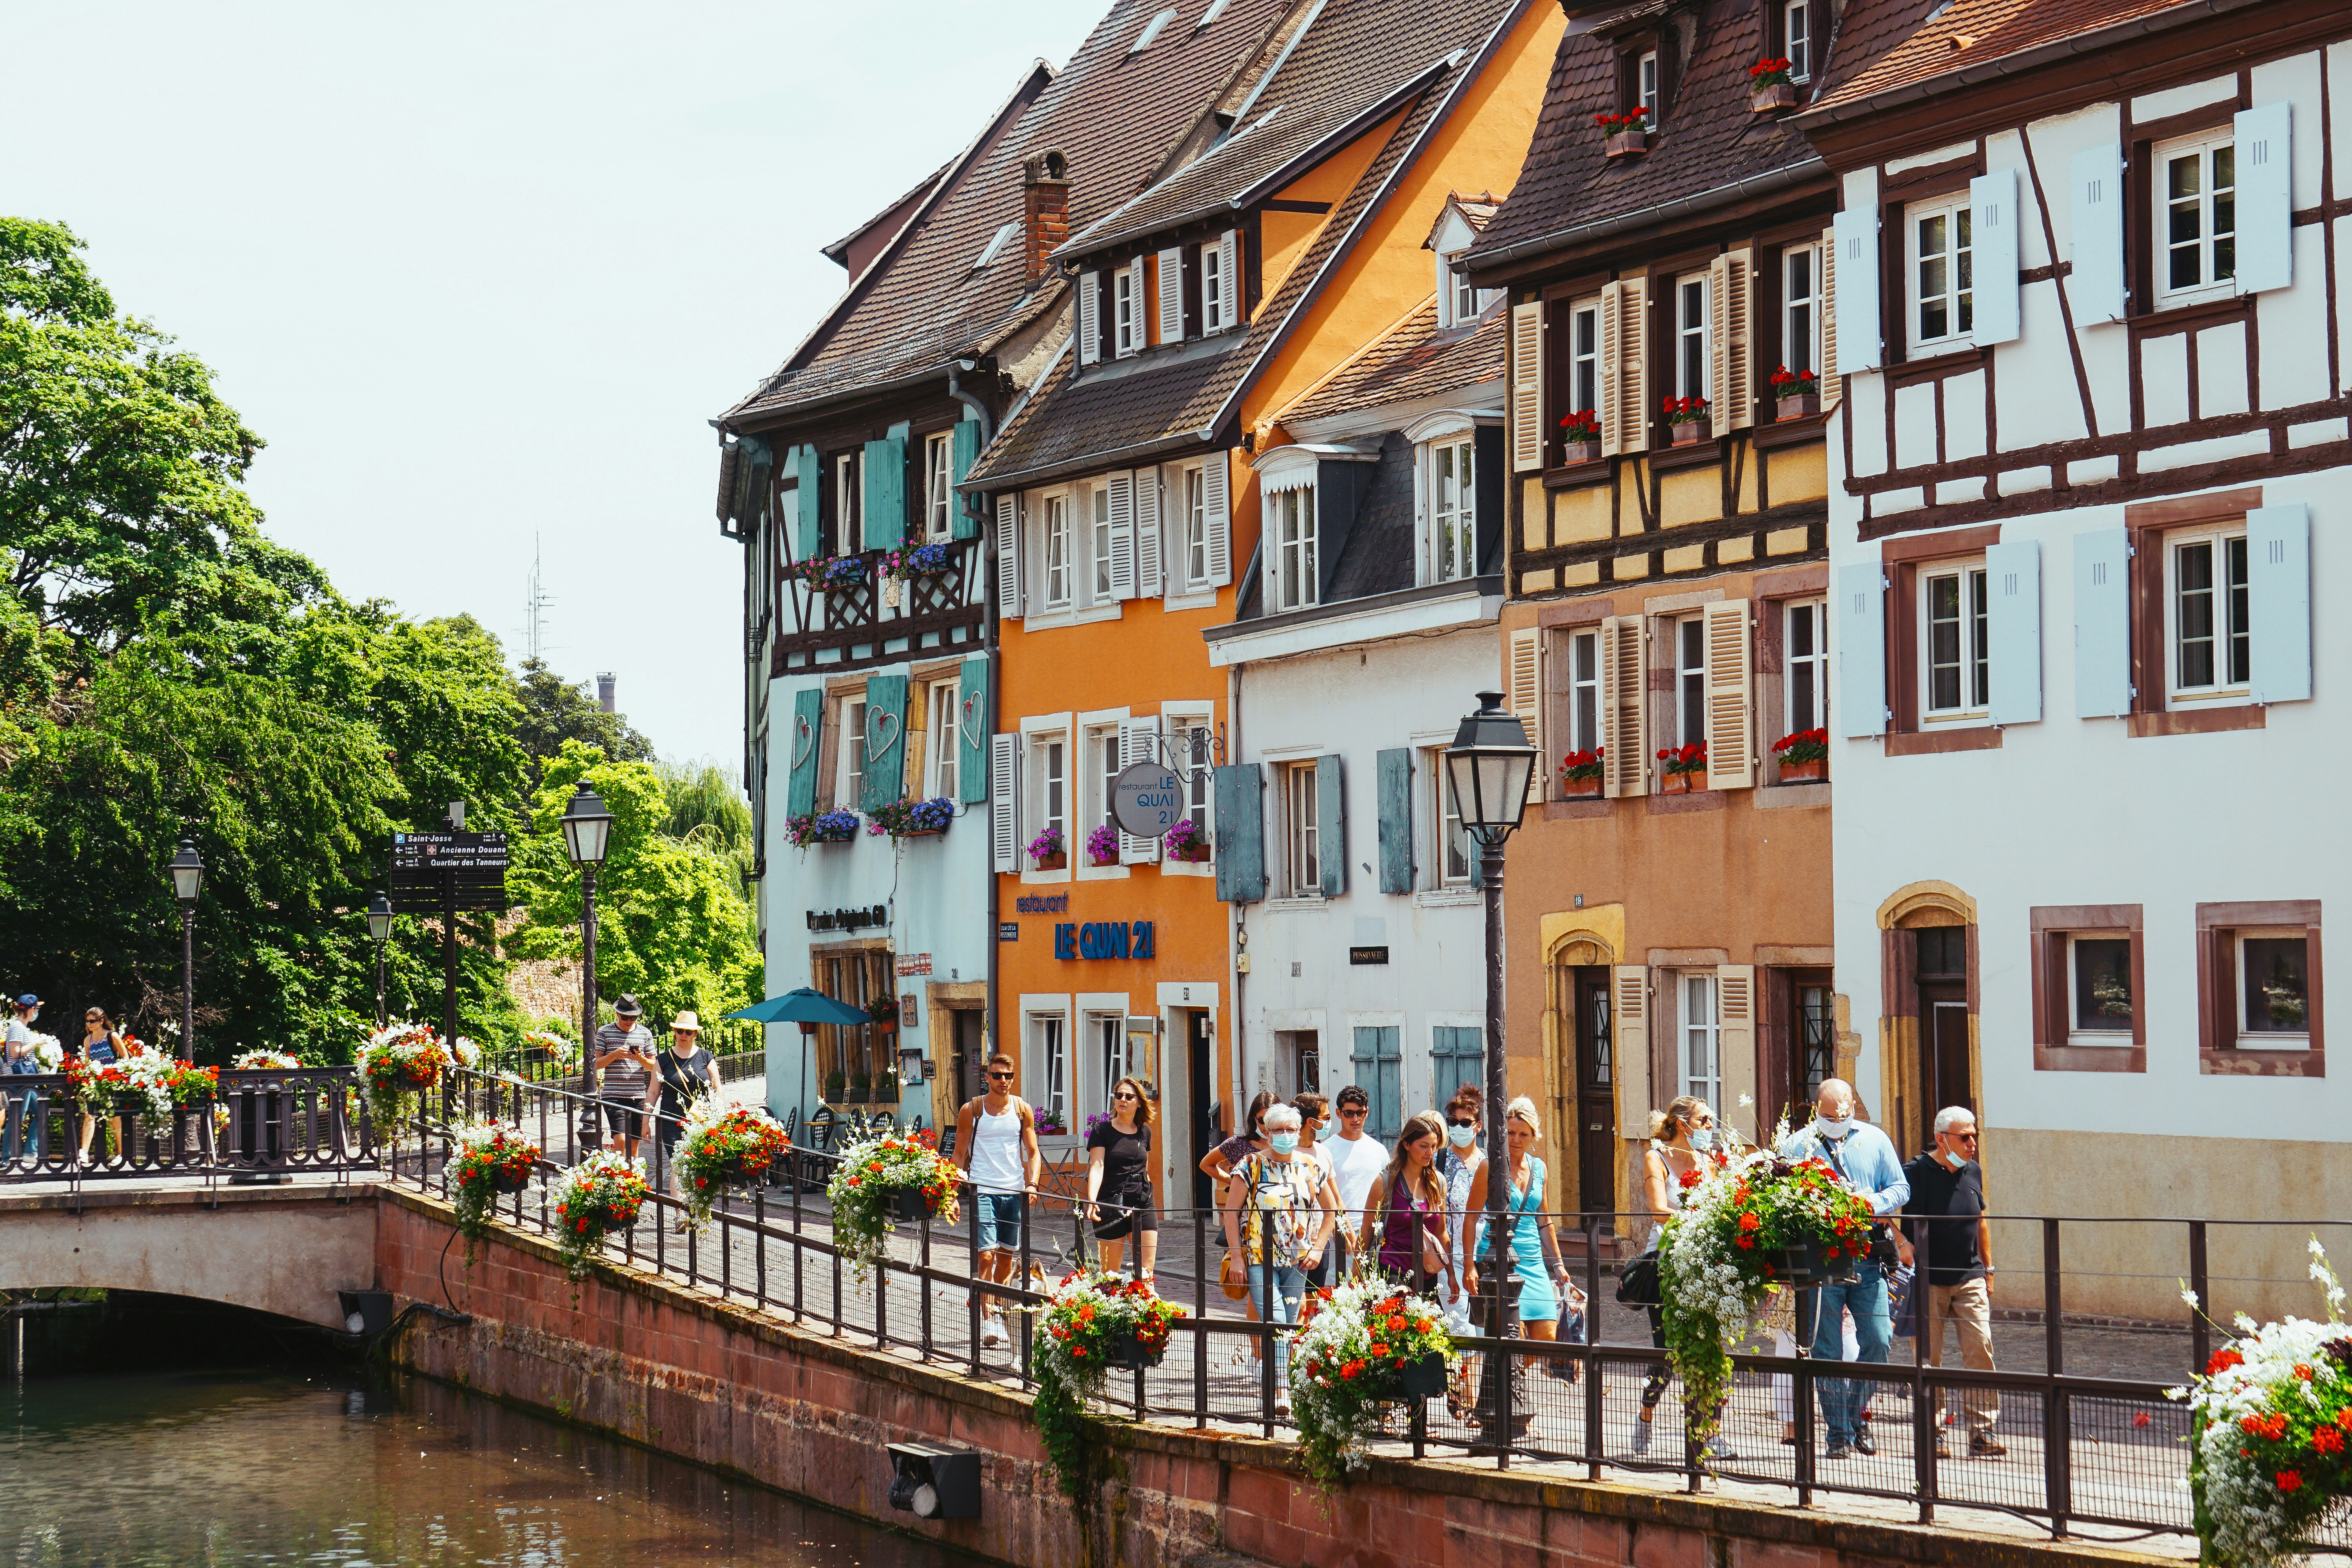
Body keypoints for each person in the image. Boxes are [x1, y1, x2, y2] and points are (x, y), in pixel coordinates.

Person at [1777, 1078, 1910, 1460]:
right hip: (1821, 1260)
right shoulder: (1798, 1144)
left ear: (1854, 1105)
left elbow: (1901, 1188)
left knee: (1879, 1339)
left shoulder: (1875, 1139)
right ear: (1817, 1110)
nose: (1838, 1121)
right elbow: (1782, 1196)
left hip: (1867, 1256)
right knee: (1826, 1350)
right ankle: (1839, 1433)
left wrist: (1874, 1202)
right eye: (1830, 1116)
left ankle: (1853, 1418)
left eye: (1845, 1114)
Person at [1633, 1095, 1737, 1461]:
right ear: (1682, 1124)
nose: (1711, 1127)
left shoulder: (1710, 1163)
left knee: (1713, 1348)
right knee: (1668, 1352)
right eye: (1705, 1120)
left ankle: (1710, 1434)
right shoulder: (1656, 1157)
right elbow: (1659, 1210)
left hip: (1706, 1265)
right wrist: (1699, 1224)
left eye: (1711, 1121)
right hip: (1667, 1262)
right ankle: (1646, 1414)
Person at [1901, 1105, 2004, 1459]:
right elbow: (1888, 1216)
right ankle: (1933, 1434)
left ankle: (1982, 1433)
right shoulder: (1914, 1172)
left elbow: (1981, 1221)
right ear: (1943, 1140)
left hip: (1969, 1275)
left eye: (1974, 1135)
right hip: (1928, 1279)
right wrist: (1903, 1245)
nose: (1972, 1143)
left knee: (1980, 1349)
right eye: (1965, 1137)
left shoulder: (1972, 1170)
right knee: (1929, 1358)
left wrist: (1989, 1270)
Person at [1219, 1103, 1332, 1417]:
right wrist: (1238, 1256)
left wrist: (1318, 1247)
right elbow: (1231, 1213)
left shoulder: (1310, 1166)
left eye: (1290, 1130)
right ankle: (1281, 1387)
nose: (1285, 1136)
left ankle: (1271, 1380)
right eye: (1278, 1130)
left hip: (1298, 1260)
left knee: (1291, 1321)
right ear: (1267, 1133)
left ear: (1299, 1132)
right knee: (1277, 1318)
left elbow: (1330, 1211)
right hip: (1259, 1257)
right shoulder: (1251, 1164)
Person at [955, 1051, 1042, 1350]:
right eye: (997, 1075)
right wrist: (952, 1194)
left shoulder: (1022, 1110)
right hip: (982, 1189)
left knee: (1006, 1258)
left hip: (1014, 1191)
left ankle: (1001, 1316)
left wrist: (1032, 1184)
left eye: (1008, 1076)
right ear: (987, 1077)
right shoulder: (972, 1110)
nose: (1003, 1081)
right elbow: (958, 1154)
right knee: (986, 1256)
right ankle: (989, 1321)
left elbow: (1033, 1152)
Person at [1357, 1111, 1454, 1295]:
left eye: (1434, 1147)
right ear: (1407, 1145)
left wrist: (1451, 1276)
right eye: (1424, 1146)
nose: (1430, 1153)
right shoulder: (1385, 1182)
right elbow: (1367, 1229)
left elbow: (1441, 1232)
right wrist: (1357, 1273)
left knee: (1429, 1323)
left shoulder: (1438, 1182)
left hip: (1427, 1271)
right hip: (1392, 1268)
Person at [1084, 1076, 1156, 1281]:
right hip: (1111, 1202)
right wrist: (1092, 1200)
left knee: (1146, 1273)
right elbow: (1097, 1166)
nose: (1123, 1100)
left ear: (1139, 1102)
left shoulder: (1145, 1132)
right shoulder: (1102, 1130)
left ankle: (1148, 1312)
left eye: (1129, 1096)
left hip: (1142, 1202)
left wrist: (1149, 1191)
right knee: (1110, 1276)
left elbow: (1145, 1167)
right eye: (1119, 1096)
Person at [1324, 1085, 1389, 1272]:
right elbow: (1327, 1197)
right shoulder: (1327, 1150)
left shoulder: (1379, 1150)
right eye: (1349, 1113)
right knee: (1337, 1293)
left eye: (1360, 1113)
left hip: (1375, 1232)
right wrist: (1342, 1229)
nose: (1355, 1119)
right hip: (1339, 1234)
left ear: (1366, 1112)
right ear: (1338, 1113)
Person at [655, 1011, 717, 1191]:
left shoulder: (706, 1058)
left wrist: (719, 1116)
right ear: (674, 1032)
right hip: (671, 1121)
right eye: (680, 1030)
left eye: (688, 1032)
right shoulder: (663, 1059)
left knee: (699, 1165)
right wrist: (645, 1122)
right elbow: (653, 1091)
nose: (684, 1035)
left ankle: (695, 1210)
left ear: (695, 1034)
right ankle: (680, 1214)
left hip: (700, 1121)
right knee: (678, 1165)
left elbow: (717, 1087)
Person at [1290, 1093, 1345, 1287]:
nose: (1330, 1123)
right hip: (1291, 1243)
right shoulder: (1288, 1153)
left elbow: (1336, 1199)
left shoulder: (1324, 1153)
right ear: (1310, 1122)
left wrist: (1346, 1234)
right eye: (1326, 1118)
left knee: (1313, 1303)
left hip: (1318, 1242)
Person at [593, 996, 658, 1161]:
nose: (629, 1021)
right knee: (621, 1141)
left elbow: (654, 1066)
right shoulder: (605, 1031)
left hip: (638, 1095)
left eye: (633, 1017)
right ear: (617, 1014)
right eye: (625, 1017)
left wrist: (641, 1059)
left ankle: (632, 1180)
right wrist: (615, 1055)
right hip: (614, 1095)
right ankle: (621, 1177)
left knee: (634, 1144)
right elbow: (594, 1065)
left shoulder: (645, 1033)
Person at [74, 1006, 127, 1163]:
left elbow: (125, 1058)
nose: (89, 1024)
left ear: (101, 1021)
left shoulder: (112, 1036)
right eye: (87, 1021)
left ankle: (121, 1153)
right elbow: (88, 1063)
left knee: (114, 1117)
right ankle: (84, 1152)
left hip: (112, 1082)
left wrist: (117, 1076)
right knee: (89, 1114)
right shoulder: (88, 1040)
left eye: (92, 1021)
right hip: (96, 1083)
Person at [3, 996, 42, 1165]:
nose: (37, 1013)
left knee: (43, 1112)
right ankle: (8, 1158)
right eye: (37, 1009)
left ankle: (29, 1152)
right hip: (19, 1078)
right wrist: (36, 1043)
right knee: (17, 1116)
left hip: (26, 1078)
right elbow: (14, 1052)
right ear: (32, 1010)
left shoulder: (22, 1028)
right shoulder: (17, 1027)